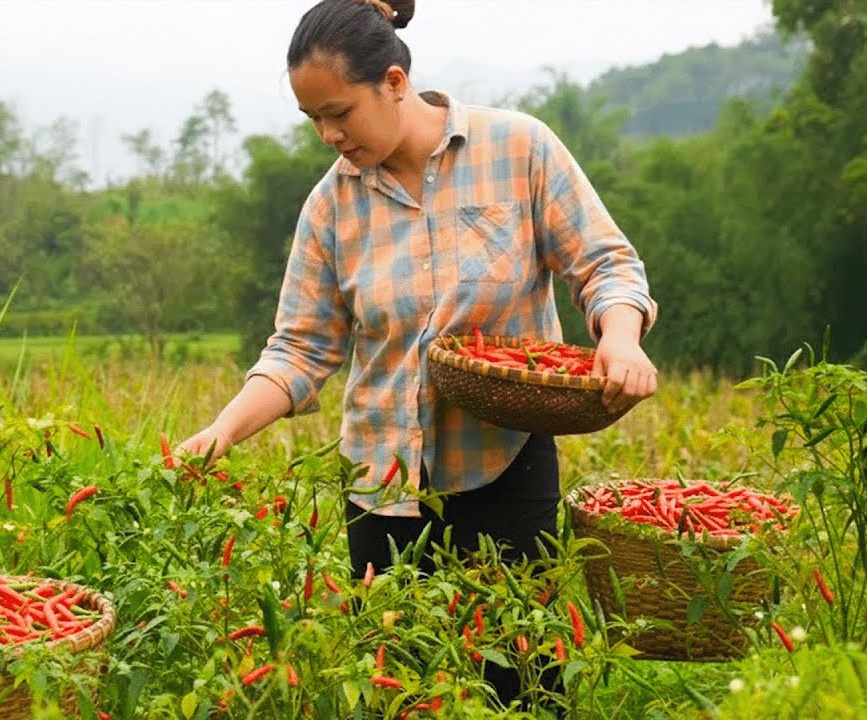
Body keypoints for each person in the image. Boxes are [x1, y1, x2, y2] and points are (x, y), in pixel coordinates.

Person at [179, 0, 658, 710]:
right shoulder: (331, 205)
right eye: (314, 119)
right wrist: (223, 429)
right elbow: (301, 348)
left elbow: (605, 264)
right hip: (382, 487)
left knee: (523, 686)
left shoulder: (517, 149)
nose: (329, 135)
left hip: (506, 466)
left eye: (340, 112)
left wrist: (617, 337)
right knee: (398, 689)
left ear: (396, 82)